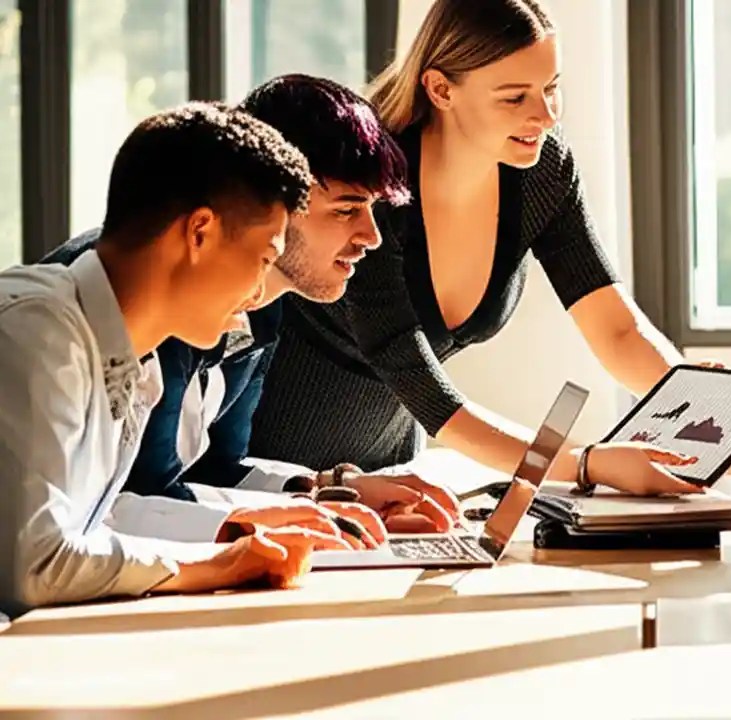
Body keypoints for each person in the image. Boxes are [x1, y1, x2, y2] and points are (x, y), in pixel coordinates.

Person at [248, 0, 731, 495]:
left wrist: (703, 407)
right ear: (440, 89)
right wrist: (584, 467)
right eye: (515, 97)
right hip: (272, 470)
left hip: (391, 470)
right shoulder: (375, 185)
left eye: (552, 89)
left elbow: (617, 327)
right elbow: (419, 381)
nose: (544, 115)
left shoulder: (542, 172)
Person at [45, 75, 460, 536]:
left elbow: (211, 471)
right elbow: (133, 499)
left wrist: (325, 492)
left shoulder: (261, 309)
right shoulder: (155, 292)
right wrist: (262, 530)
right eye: (346, 210)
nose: (372, 238)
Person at [0, 104, 347, 614]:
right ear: (199, 233)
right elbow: (33, 565)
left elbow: (96, 523)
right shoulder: (39, 330)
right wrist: (219, 567)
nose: (258, 292)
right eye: (264, 259)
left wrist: (238, 532)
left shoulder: (136, 365)